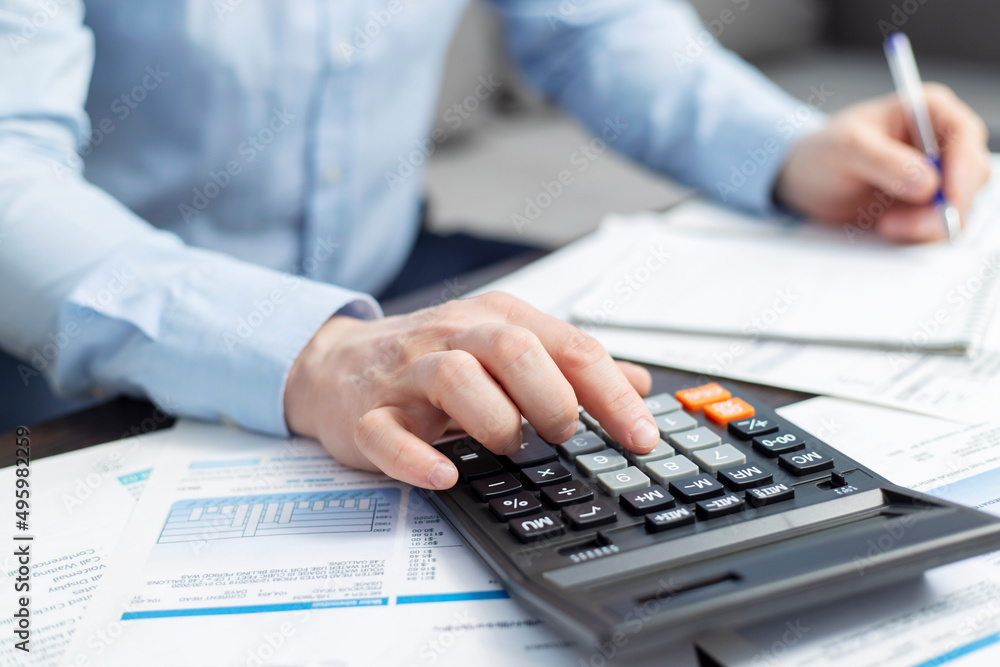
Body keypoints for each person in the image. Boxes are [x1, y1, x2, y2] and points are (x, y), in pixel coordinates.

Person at [0, 1, 990, 490]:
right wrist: (315, 352)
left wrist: (788, 151)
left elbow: (590, 25)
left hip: (397, 284)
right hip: (75, 348)